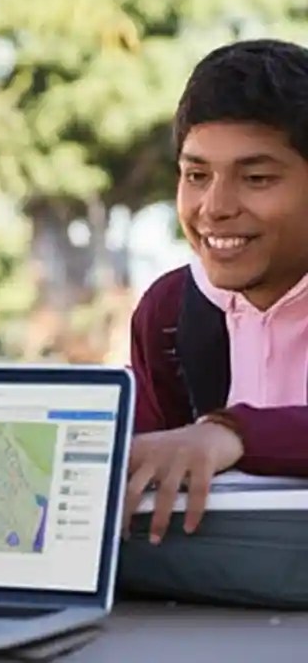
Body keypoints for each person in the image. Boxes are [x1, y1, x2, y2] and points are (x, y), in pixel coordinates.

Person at [126, 39, 308, 543]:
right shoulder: (170, 310)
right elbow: (142, 442)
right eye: (196, 175)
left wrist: (229, 434)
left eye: (256, 177)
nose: (214, 206)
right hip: (214, 610)